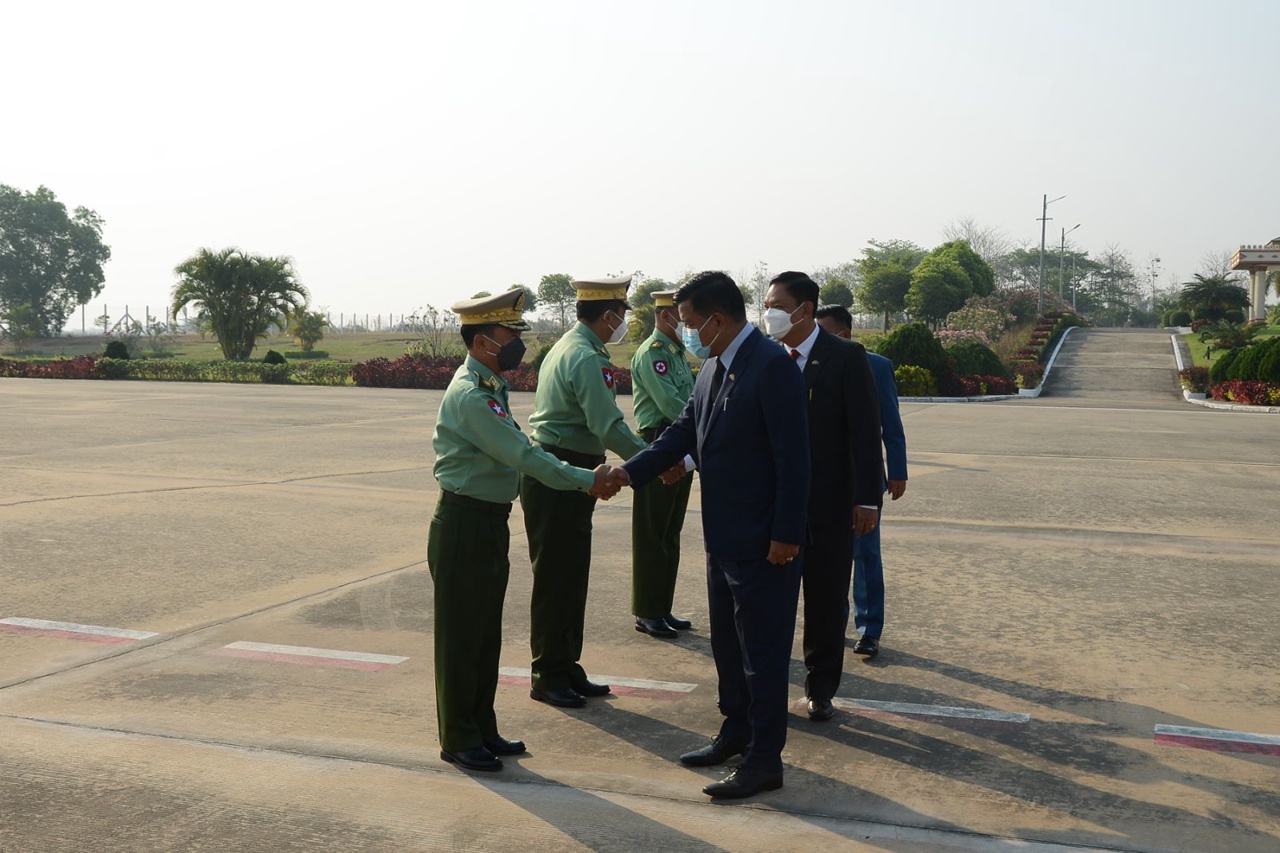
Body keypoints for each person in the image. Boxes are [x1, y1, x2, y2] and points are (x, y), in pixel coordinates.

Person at [610, 270, 809, 800]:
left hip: (767, 542)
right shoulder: (714, 367)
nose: (689, 332)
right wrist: (630, 472)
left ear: (718, 320)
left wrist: (787, 534)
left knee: (763, 656)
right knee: (728, 646)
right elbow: (684, 431)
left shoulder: (772, 368)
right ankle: (736, 731)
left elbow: (795, 461)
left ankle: (765, 760)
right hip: (724, 538)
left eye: (694, 322)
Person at [428, 289, 620, 772]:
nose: (517, 344)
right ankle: (458, 735)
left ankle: (481, 725)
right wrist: (587, 481)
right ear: (480, 341)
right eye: (507, 336)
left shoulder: (490, 386)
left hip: (488, 521)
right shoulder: (472, 395)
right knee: (461, 637)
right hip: (464, 523)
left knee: (484, 633)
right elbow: (526, 457)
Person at [523, 275, 650, 708]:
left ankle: (564, 664)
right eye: (622, 314)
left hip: (569, 468)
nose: (625, 323)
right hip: (560, 469)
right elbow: (608, 425)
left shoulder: (572, 346)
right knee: (557, 577)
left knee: (570, 575)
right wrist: (653, 460)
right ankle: (547, 673)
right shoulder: (583, 356)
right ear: (608, 315)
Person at [763, 274, 883, 722]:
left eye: (777, 304)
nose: (769, 312)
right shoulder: (767, 357)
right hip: (774, 505)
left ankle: (821, 687)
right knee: (772, 600)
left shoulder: (846, 357)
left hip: (830, 504)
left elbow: (866, 435)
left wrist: (868, 498)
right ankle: (770, 684)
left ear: (805, 309)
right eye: (767, 303)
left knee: (827, 599)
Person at [815, 304, 908, 658]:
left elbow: (891, 424)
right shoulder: (808, 364)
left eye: (823, 331)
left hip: (862, 478)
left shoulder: (877, 366)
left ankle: (869, 629)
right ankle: (832, 624)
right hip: (824, 479)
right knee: (828, 557)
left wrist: (897, 470)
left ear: (845, 334)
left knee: (866, 555)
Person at [629, 289, 696, 639]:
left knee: (670, 531)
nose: (688, 323)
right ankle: (647, 610)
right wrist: (707, 425)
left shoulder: (677, 355)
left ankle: (662, 606)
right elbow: (673, 404)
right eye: (682, 316)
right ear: (665, 315)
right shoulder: (652, 354)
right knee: (652, 534)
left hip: (681, 443)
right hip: (659, 441)